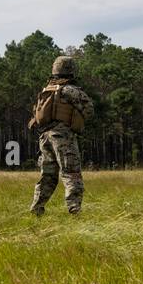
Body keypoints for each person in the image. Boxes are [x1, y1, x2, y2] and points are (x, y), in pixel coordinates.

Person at [28, 55, 93, 216]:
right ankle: (74, 210)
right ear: (71, 71)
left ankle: (36, 208)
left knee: (48, 176)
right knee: (71, 173)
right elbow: (90, 110)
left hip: (45, 137)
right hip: (63, 138)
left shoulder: (46, 90)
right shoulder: (70, 90)